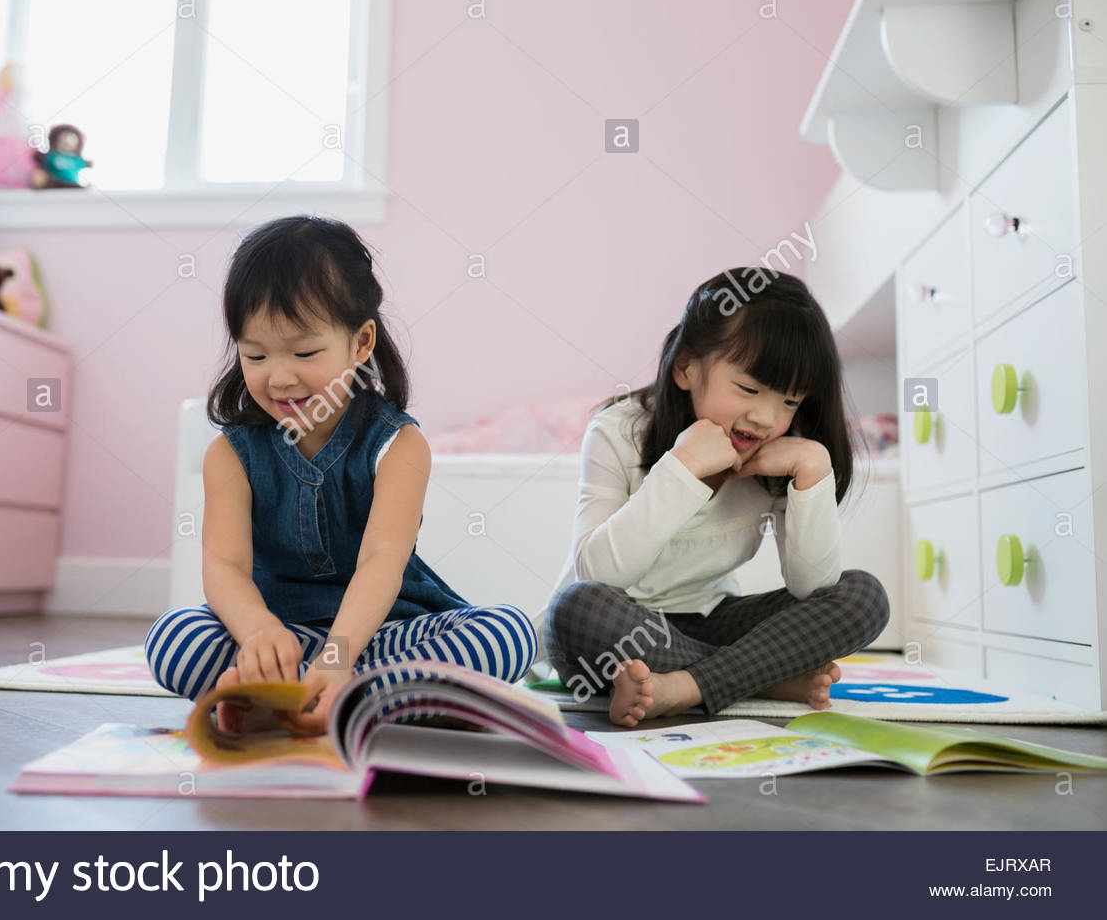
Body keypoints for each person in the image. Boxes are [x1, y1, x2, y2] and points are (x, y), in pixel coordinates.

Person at [146, 215, 537, 735]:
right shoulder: (230, 454)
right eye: (255, 354)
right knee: (174, 639)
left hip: (385, 635)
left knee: (508, 633)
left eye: (305, 352)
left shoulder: (399, 445)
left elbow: (381, 559)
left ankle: (323, 697)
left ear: (361, 342)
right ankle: (323, 695)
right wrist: (260, 632)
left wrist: (341, 656)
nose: (280, 377)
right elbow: (225, 565)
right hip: (281, 635)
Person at [542, 268, 890, 726]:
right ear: (687, 367)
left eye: (789, 401)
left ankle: (683, 687)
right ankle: (762, 677)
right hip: (618, 627)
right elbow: (602, 573)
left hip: (712, 617)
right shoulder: (617, 430)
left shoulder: (780, 454)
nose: (766, 417)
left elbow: (813, 590)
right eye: (748, 389)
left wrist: (812, 474)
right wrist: (682, 467)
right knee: (575, 608)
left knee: (863, 595)